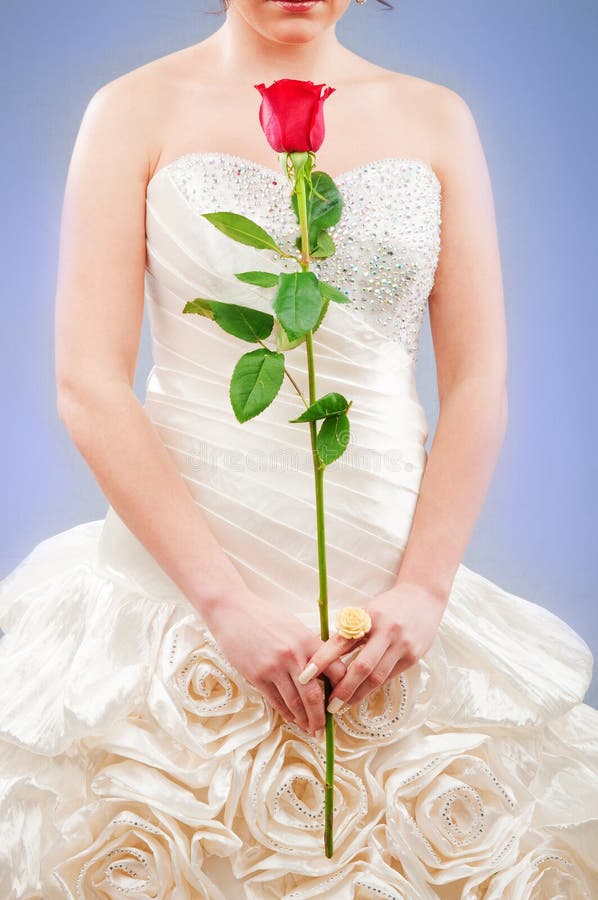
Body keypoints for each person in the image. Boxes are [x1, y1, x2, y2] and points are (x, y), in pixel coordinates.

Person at [1, 0, 597, 895]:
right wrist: (224, 607)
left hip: (391, 610)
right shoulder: (131, 110)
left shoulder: (435, 117)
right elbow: (89, 383)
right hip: (181, 590)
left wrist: (425, 591)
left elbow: (478, 382)